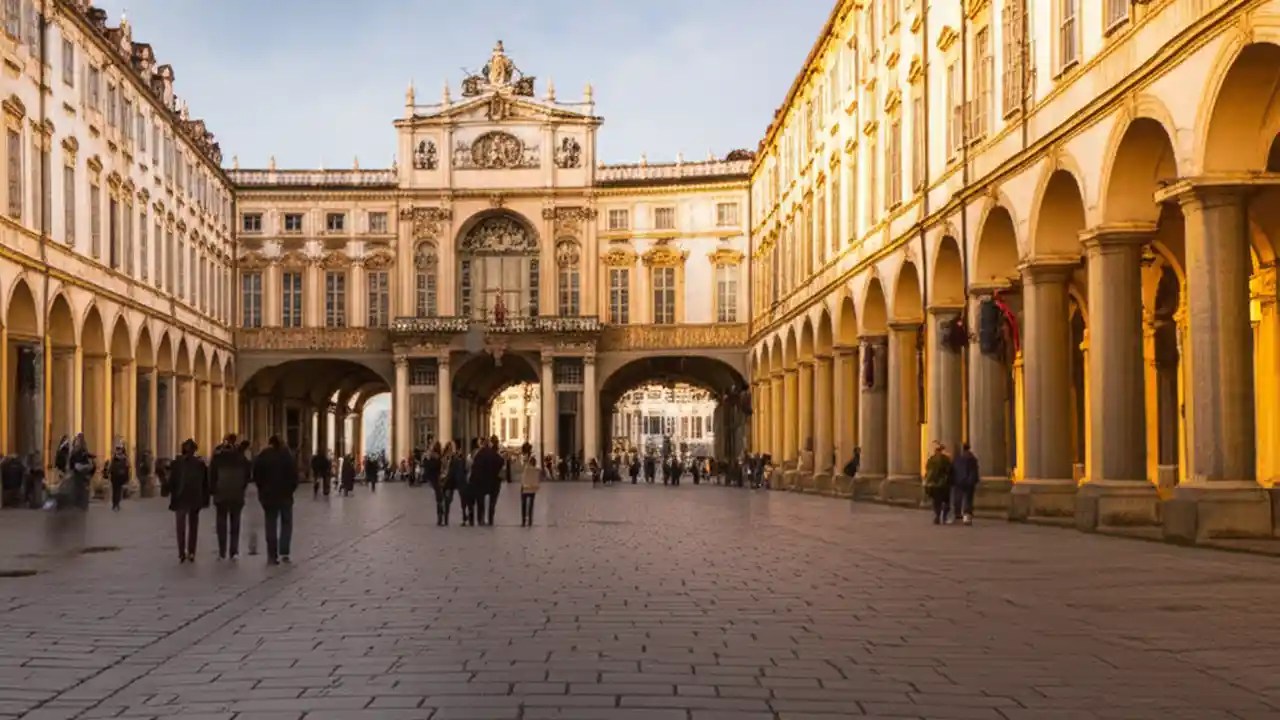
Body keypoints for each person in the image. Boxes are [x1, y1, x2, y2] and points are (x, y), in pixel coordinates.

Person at [254, 435, 298, 565]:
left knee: (270, 524)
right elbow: (294, 476)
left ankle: (272, 554)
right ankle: (284, 551)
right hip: (285, 495)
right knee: (286, 523)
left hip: (268, 496)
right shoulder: (287, 456)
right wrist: (290, 490)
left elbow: (256, 475)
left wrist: (262, 491)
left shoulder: (263, 456)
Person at [210, 434, 251, 560]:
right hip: (236, 494)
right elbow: (247, 475)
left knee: (221, 522)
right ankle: (234, 551)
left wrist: (213, 490)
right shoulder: (241, 457)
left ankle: (222, 551)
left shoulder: (218, 456)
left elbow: (211, 475)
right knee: (235, 522)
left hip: (221, 493)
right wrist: (242, 488)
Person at [168, 439, 208, 563]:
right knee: (193, 526)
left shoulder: (176, 463)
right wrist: (205, 500)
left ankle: (182, 552)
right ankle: (191, 552)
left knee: (181, 526)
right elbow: (205, 484)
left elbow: (172, 481)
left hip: (180, 498)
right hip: (195, 498)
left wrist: (170, 493)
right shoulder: (200, 464)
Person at [472, 436, 504, 526]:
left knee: (480, 502)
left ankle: (480, 519)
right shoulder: (494, 454)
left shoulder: (479, 454)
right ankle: (490, 519)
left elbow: (475, 467)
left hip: (481, 482)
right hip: (494, 482)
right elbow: (501, 461)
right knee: (492, 502)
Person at [923, 443, 954, 525]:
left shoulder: (931, 459)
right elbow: (949, 471)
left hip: (933, 484)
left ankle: (937, 516)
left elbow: (927, 470)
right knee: (946, 501)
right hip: (943, 484)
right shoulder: (945, 459)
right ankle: (944, 517)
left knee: (936, 502)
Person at [951, 443, 980, 525]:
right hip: (968, 482)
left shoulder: (957, 459)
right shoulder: (972, 458)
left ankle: (958, 515)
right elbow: (974, 471)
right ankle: (967, 517)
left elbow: (953, 470)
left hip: (959, 481)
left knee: (958, 498)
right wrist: (974, 480)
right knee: (968, 499)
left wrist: (953, 480)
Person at [67, 433, 95, 510]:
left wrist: (83, 467)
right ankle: (79, 505)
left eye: (78, 439)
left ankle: (81, 505)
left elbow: (89, 463)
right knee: (78, 489)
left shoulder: (83, 451)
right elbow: (72, 461)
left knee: (81, 490)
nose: (77, 441)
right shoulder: (77, 450)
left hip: (81, 474)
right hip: (77, 473)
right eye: (77, 439)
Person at [426, 443, 450, 525]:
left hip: (435, 480)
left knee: (439, 499)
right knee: (442, 499)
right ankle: (442, 517)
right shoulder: (439, 459)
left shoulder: (431, 458)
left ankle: (441, 517)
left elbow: (428, 469)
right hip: (439, 480)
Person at [453, 442, 476, 526]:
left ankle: (467, 518)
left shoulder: (462, 460)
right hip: (466, 484)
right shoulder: (466, 460)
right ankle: (469, 518)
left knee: (465, 502)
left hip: (464, 484)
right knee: (468, 503)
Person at [519, 446, 541, 527]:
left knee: (523, 505)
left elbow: (523, 464)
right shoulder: (536, 470)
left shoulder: (526, 468)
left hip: (524, 488)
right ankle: (530, 521)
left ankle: (523, 520)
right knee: (531, 505)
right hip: (532, 489)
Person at [106, 443, 130, 511]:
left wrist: (126, 476)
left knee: (118, 490)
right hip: (115, 476)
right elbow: (111, 466)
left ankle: (116, 503)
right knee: (115, 490)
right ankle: (115, 504)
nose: (118, 450)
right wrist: (108, 472)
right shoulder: (116, 457)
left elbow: (127, 467)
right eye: (117, 449)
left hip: (119, 476)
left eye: (119, 449)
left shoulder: (123, 458)